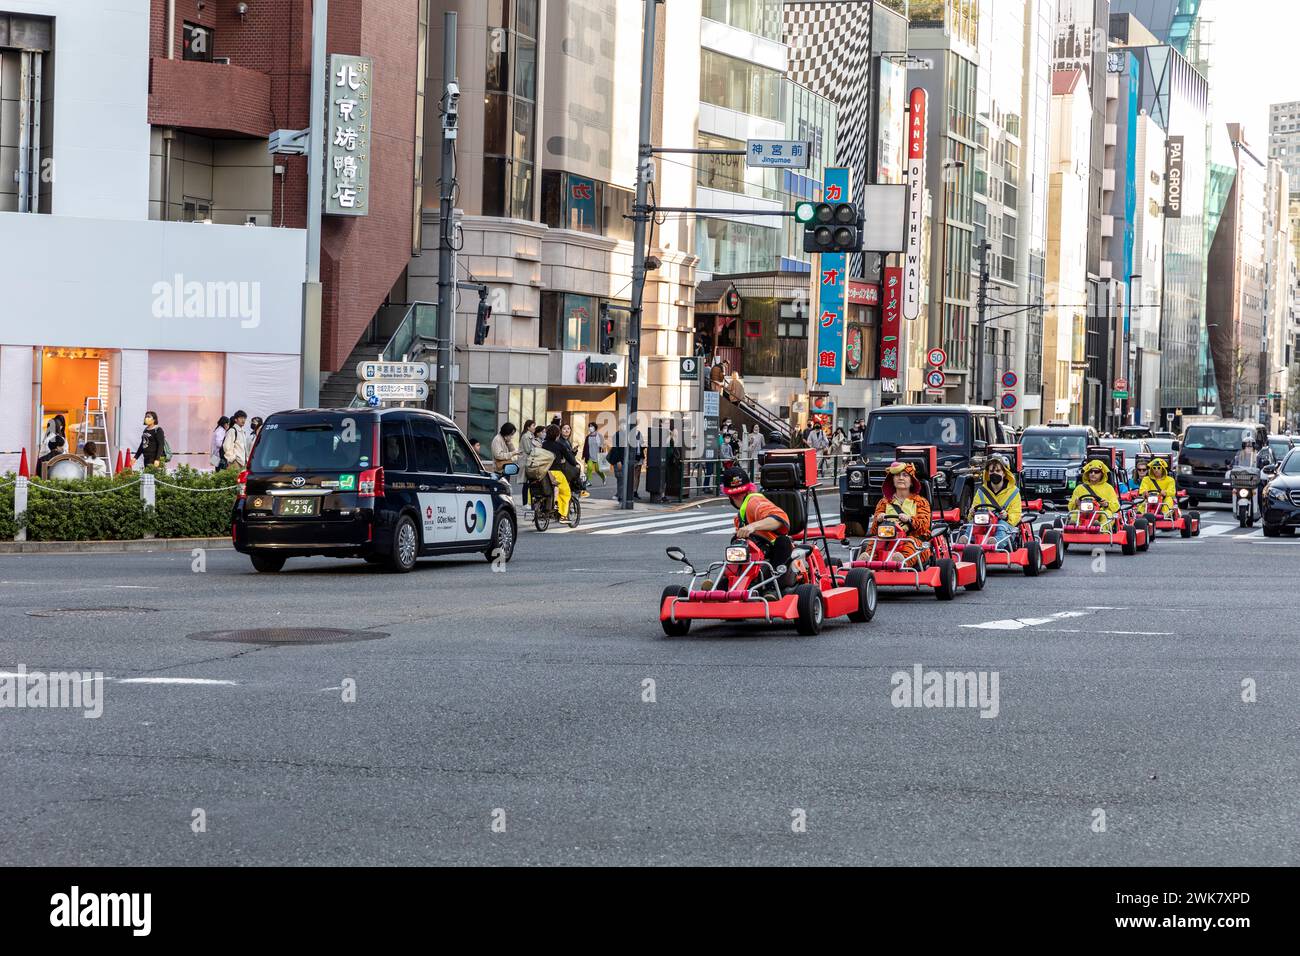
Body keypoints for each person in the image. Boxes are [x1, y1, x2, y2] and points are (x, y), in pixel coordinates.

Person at [719, 465, 794, 590]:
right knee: (736, 544)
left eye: (739, 494)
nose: (738, 497)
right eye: (736, 494)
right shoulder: (739, 517)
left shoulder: (754, 502)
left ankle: (773, 589)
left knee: (783, 542)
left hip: (774, 555)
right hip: (754, 557)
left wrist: (752, 527)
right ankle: (719, 590)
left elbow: (781, 518)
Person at [868, 461, 932, 563]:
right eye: (897, 475)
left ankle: (901, 564)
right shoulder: (884, 502)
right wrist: (879, 519)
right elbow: (874, 530)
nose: (901, 478)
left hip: (911, 538)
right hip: (886, 538)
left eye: (905, 475)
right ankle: (868, 563)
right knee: (873, 542)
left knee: (910, 545)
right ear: (892, 480)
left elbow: (924, 525)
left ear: (911, 481)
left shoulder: (921, 502)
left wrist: (910, 520)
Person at [968, 453, 1021, 545]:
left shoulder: (1014, 492)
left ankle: (995, 543)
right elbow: (972, 511)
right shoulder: (981, 491)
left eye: (998, 470)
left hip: (1003, 523)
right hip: (984, 522)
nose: (994, 473)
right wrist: (972, 513)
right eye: (992, 471)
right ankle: (966, 540)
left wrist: (1007, 516)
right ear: (988, 473)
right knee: (972, 525)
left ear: (1004, 473)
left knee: (1001, 526)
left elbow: (1016, 514)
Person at [1068, 458, 1120, 528]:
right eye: (1090, 472)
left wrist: (1106, 504)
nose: (1093, 474)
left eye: (1096, 472)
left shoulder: (1108, 488)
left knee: (1107, 514)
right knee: (1075, 514)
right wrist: (1076, 503)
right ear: (1087, 473)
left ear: (1102, 474)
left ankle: (1100, 530)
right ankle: (1072, 530)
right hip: (1083, 512)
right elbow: (1070, 506)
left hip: (1101, 512)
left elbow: (1116, 505)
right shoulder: (1079, 488)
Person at [542, 423, 579, 518]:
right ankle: (563, 515)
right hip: (556, 472)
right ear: (557, 434)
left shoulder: (543, 444)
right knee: (566, 493)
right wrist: (576, 464)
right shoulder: (559, 445)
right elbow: (570, 459)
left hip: (543, 472)